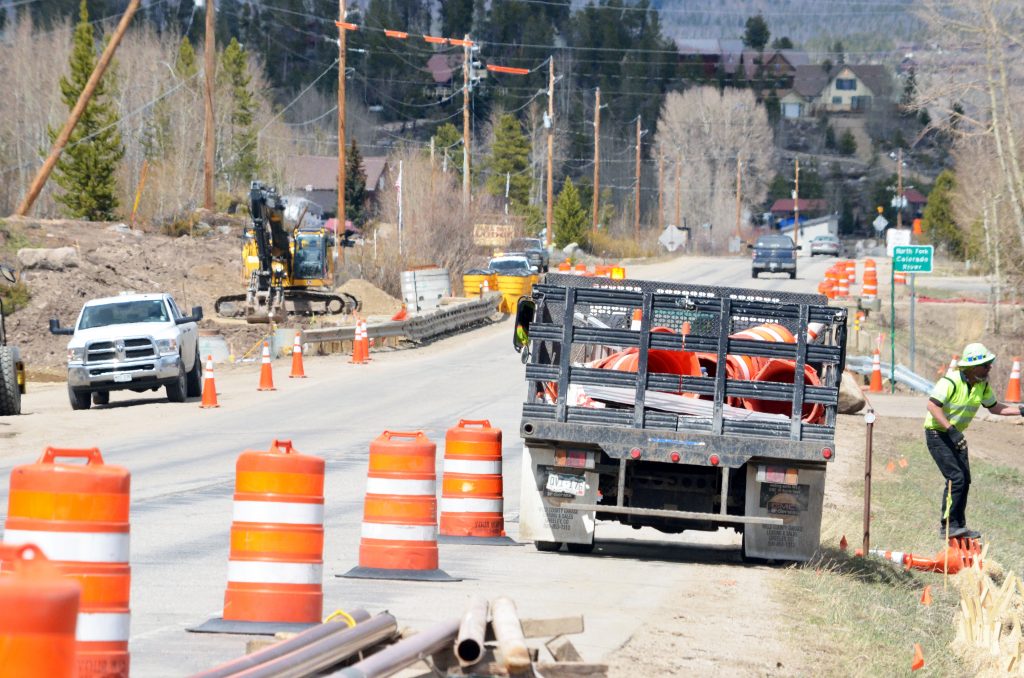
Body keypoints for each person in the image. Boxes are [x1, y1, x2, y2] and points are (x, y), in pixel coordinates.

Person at [924, 343, 1024, 539]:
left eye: (990, 364)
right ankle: (948, 526)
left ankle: (959, 527)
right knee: (956, 478)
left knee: (965, 479)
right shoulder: (950, 382)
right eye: (986, 364)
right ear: (972, 366)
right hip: (938, 433)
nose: (990, 368)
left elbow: (995, 407)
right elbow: (932, 406)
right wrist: (951, 430)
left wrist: (1020, 410)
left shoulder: (981, 385)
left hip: (955, 435)